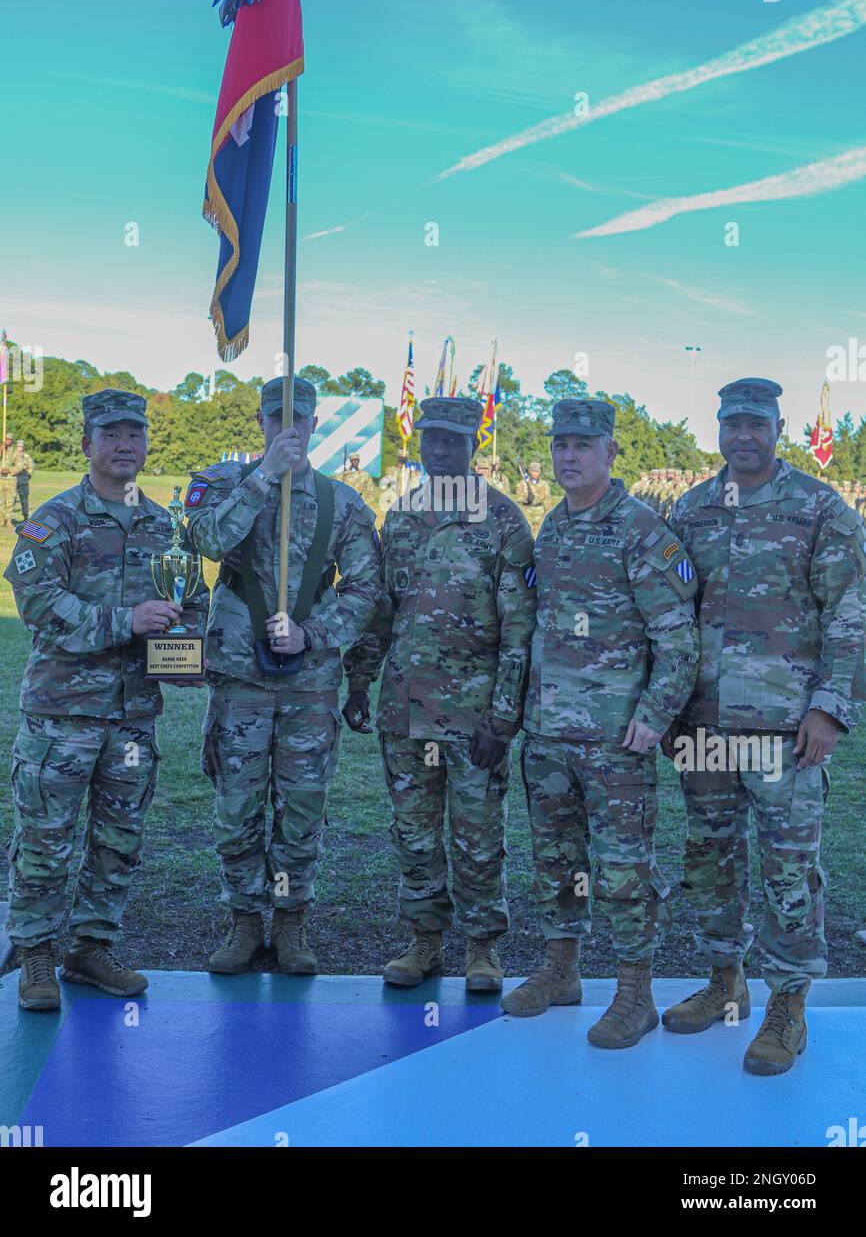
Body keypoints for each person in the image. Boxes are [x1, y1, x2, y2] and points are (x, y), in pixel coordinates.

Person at [662, 378, 866, 1075]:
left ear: (777, 428)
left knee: (788, 869)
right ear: (718, 428)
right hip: (705, 727)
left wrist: (830, 708)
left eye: (757, 423)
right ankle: (726, 983)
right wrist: (668, 708)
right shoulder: (690, 509)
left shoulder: (819, 510)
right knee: (710, 861)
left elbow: (851, 613)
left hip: (788, 730)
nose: (743, 435)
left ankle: (788, 1004)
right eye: (731, 424)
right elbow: (666, 614)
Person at [503, 399, 700, 1048]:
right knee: (557, 862)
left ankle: (634, 995)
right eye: (560, 444)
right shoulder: (554, 525)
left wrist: (653, 716)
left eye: (583, 445)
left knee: (622, 870)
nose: (568, 455)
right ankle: (561, 971)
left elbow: (678, 639)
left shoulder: (641, 528)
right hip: (550, 736)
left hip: (616, 740)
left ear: (611, 452)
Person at [4, 390, 208, 1010]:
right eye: (111, 434)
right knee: (46, 836)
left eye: (135, 434)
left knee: (119, 839)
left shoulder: (167, 525)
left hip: (132, 718)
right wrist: (125, 621)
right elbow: (36, 600)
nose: (124, 445)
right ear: (87, 445)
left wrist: (186, 652)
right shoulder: (56, 518)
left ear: (147, 444)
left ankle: (91, 949)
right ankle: (36, 954)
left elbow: (191, 600)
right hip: (63, 714)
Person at [185, 377, 381, 976]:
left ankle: (291, 919)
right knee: (238, 802)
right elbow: (205, 540)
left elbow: (367, 587)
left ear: (315, 421)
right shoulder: (223, 484)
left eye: (299, 417)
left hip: (308, 679)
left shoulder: (342, 502)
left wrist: (314, 634)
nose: (287, 427)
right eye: (277, 418)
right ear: (261, 421)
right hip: (240, 676)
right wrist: (265, 475)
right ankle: (244, 920)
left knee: (301, 803)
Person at [342, 397, 536, 993]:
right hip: (404, 707)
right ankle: (425, 941)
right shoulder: (400, 518)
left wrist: (502, 719)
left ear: (473, 445)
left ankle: (482, 948)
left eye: (452, 441)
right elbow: (381, 611)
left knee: (478, 836)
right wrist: (358, 679)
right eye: (431, 440)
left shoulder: (503, 522)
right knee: (414, 831)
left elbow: (519, 631)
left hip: (474, 715)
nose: (439, 451)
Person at [516, 459, 552, 534]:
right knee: (526, 533)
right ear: (529, 471)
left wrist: (548, 515)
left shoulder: (544, 484)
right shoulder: (523, 483)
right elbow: (518, 497)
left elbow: (547, 501)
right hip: (526, 511)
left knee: (538, 534)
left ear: (540, 472)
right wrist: (525, 499)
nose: (534, 473)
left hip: (539, 512)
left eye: (537, 471)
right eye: (533, 471)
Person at [12, 440, 35, 522]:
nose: (19, 448)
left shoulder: (26, 457)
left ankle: (26, 517)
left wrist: (27, 476)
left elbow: (31, 468)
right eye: (18, 446)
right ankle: (9, 519)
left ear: (23, 447)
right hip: (12, 481)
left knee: (24, 500)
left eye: (21, 446)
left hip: (23, 482)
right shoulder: (12, 456)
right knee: (11, 501)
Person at [0, 434, 15, 528]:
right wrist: (1, 449)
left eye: (9, 439)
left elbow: (20, 465)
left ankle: (9, 520)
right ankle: (1, 520)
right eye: (6, 439)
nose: (8, 441)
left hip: (11, 480)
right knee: (0, 501)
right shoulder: (2, 448)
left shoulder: (16, 451)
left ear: (12, 440)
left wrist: (10, 470)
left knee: (10, 501)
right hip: (1, 479)